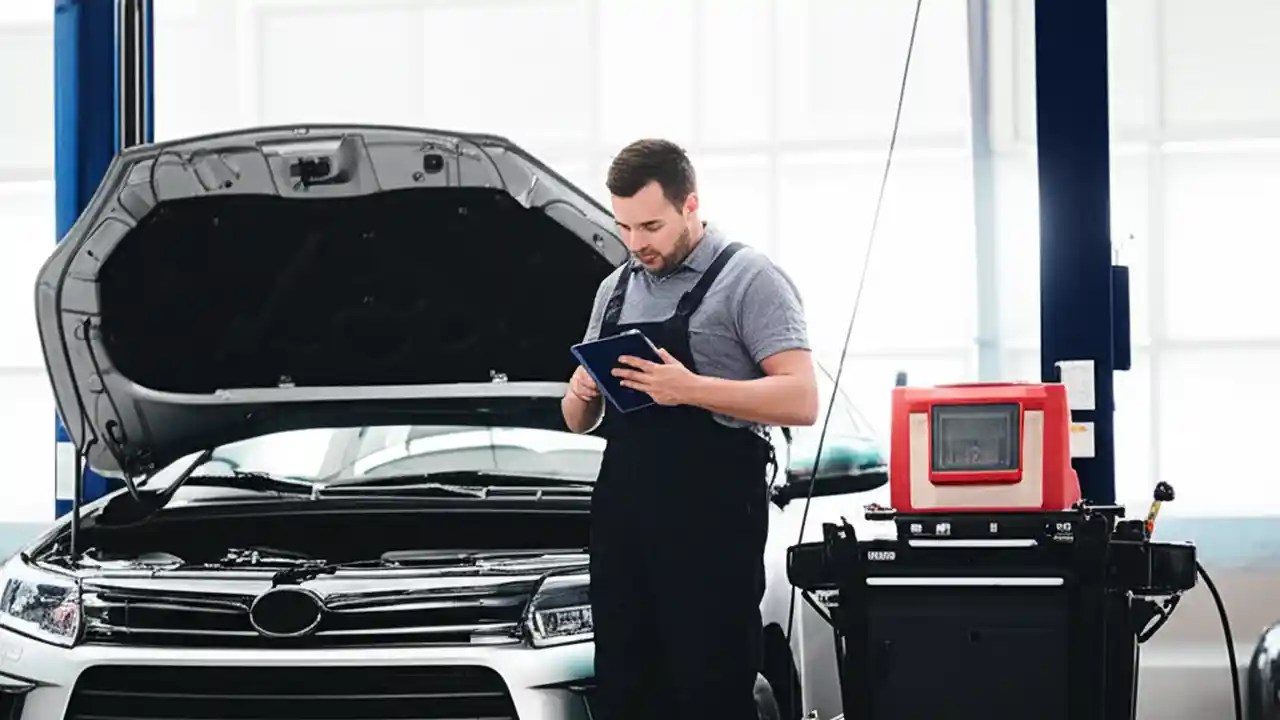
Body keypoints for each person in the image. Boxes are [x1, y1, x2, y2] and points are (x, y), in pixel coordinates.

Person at [561, 138, 818, 720]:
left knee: (709, 684)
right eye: (624, 226)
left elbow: (802, 397)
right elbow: (578, 422)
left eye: (650, 225)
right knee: (626, 681)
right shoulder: (615, 289)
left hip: (715, 516)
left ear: (691, 204)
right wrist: (580, 390)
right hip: (625, 511)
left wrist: (690, 390)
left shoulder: (749, 278)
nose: (636, 243)